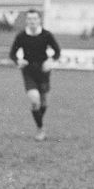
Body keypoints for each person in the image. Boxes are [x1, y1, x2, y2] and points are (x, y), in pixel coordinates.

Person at [9, 9, 61, 142]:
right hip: (28, 71)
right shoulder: (21, 36)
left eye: (35, 19)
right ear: (26, 21)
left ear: (39, 20)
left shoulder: (46, 35)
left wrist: (50, 60)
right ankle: (40, 128)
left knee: (43, 103)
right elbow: (12, 53)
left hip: (43, 71)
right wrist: (18, 60)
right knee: (34, 99)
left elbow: (57, 51)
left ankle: (39, 122)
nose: (32, 21)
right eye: (29, 19)